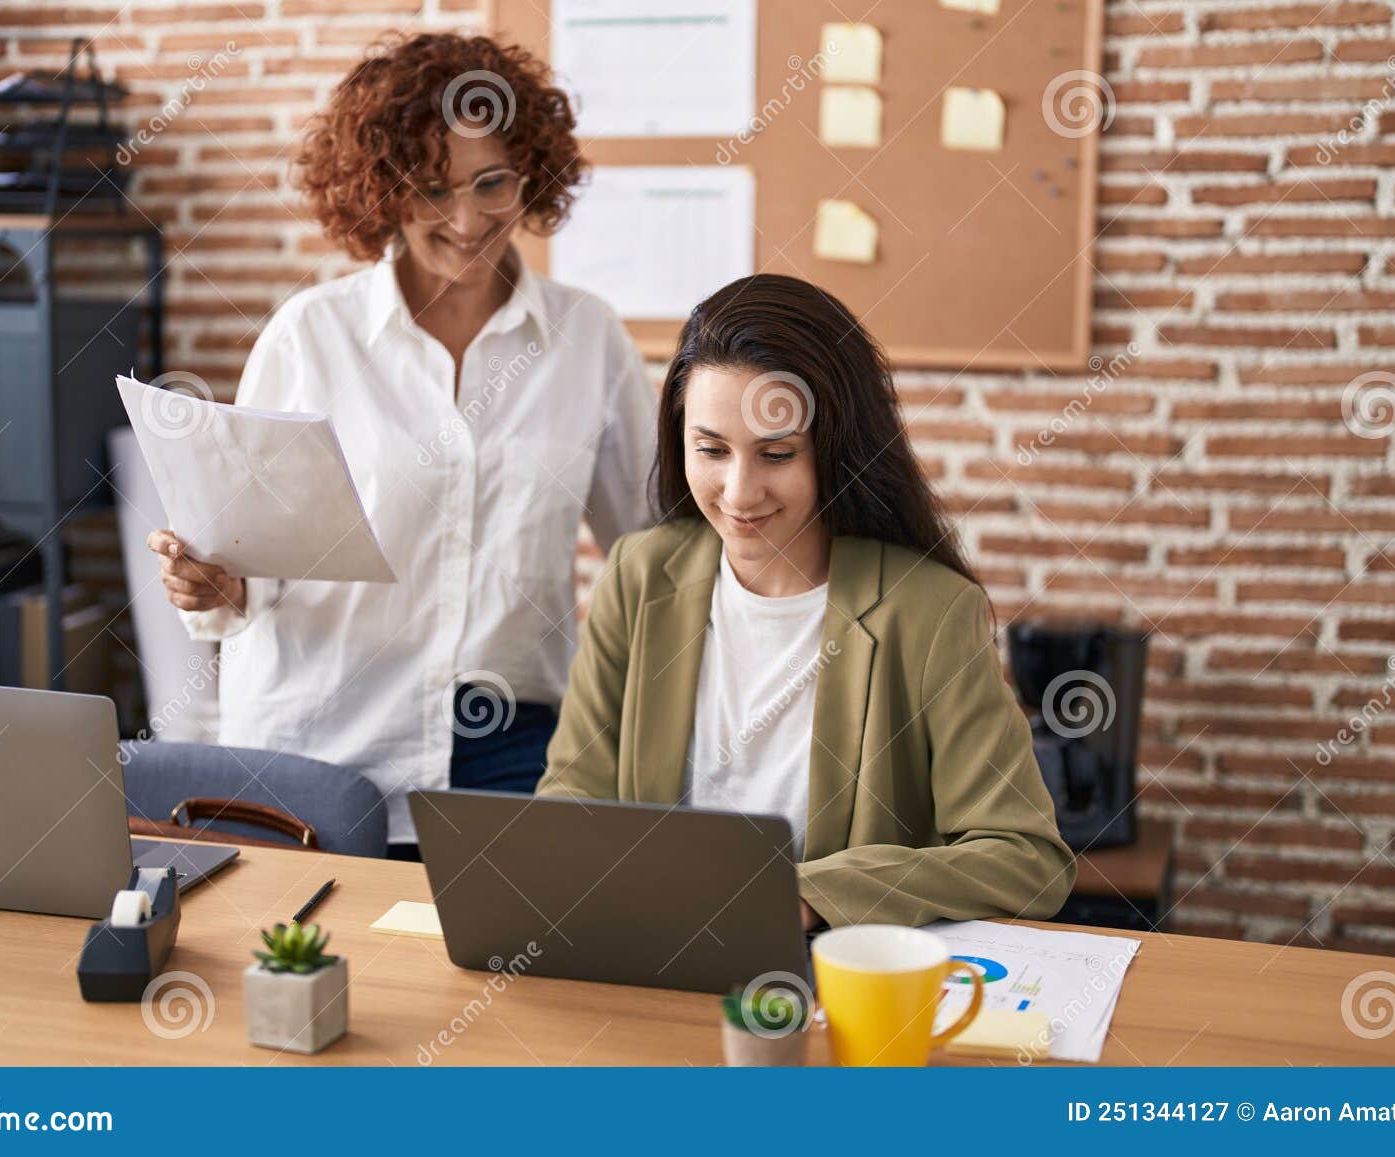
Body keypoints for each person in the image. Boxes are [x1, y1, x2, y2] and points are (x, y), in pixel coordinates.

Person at [146, 32, 654, 854]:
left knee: (510, 974)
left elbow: (659, 548)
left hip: (513, 745)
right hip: (324, 739)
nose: (466, 219)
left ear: (531, 173)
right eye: (431, 188)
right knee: (322, 975)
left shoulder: (585, 338)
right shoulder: (311, 337)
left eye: (493, 182)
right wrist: (211, 586)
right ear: (384, 189)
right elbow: (242, 563)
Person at [537, 273, 1077, 929]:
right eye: (710, 449)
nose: (738, 492)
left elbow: (1025, 857)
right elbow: (570, 799)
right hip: (653, 958)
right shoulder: (640, 574)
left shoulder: (930, 612)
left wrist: (807, 894)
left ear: (835, 448)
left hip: (831, 986)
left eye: (776, 453)